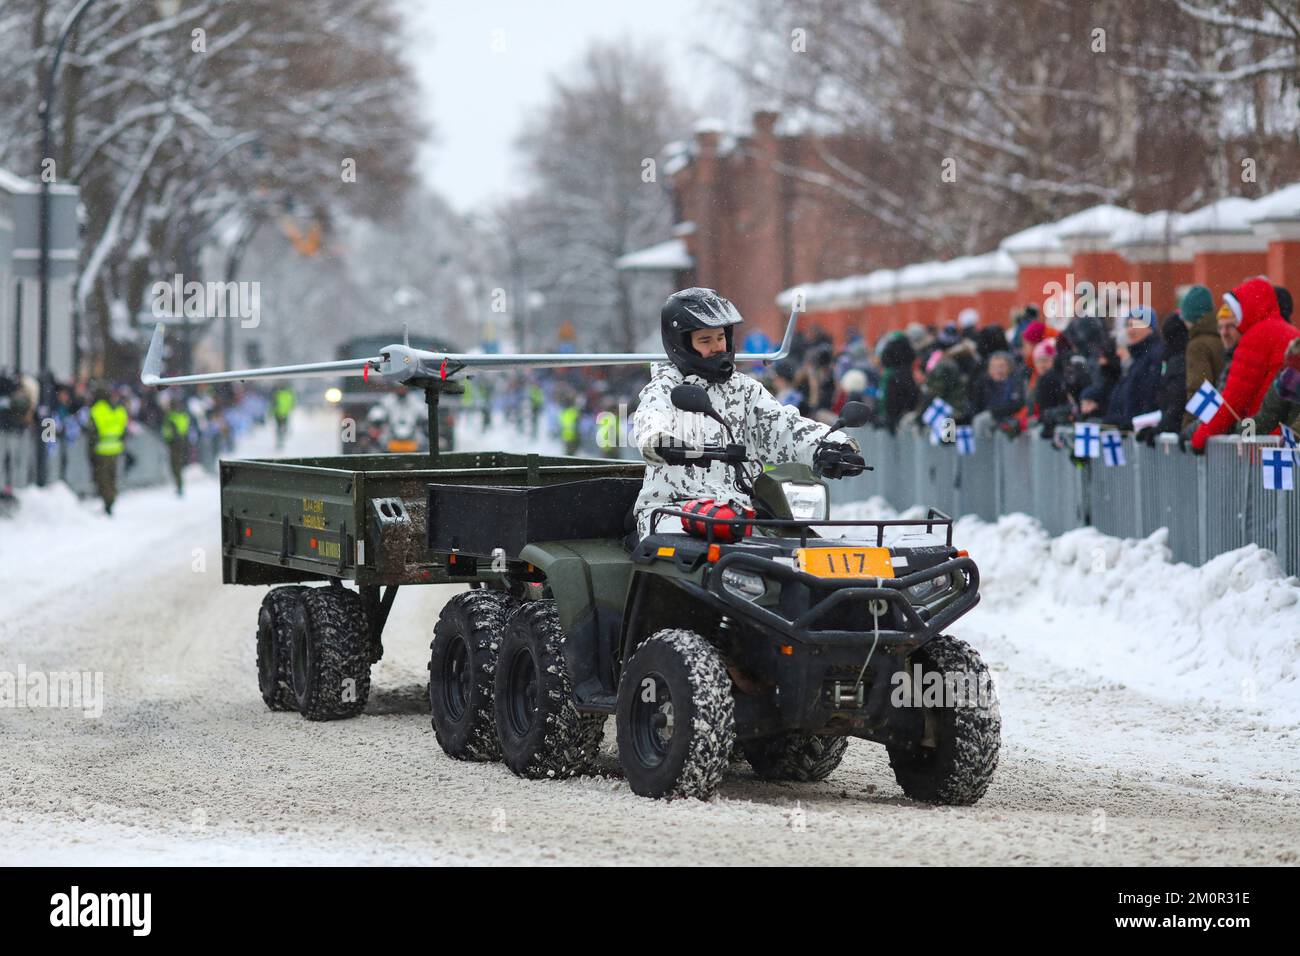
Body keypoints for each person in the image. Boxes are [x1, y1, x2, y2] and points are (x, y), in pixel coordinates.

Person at [631, 288, 863, 540]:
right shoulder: (664, 390)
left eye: (720, 337)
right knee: (701, 558)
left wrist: (830, 446)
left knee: (800, 552)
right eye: (705, 341)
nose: (718, 347)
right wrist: (661, 443)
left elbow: (783, 427)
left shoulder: (744, 389)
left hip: (739, 511)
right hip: (675, 512)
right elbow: (650, 419)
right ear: (680, 345)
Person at [1188, 278, 1300, 453]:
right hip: (1286, 438)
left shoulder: (1256, 336)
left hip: (1263, 442)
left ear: (1246, 307)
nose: (1233, 319)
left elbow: (1233, 401)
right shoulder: (1291, 332)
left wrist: (1199, 436)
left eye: (1234, 311)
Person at [1100, 306, 1164, 427]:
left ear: (1150, 327)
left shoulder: (1155, 356)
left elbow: (1150, 396)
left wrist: (1134, 423)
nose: (1130, 330)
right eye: (1128, 325)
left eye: (1135, 325)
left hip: (1142, 432)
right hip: (1131, 428)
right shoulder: (1137, 358)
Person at [1178, 285, 1225, 430]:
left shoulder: (1197, 346)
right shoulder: (1223, 338)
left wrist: (1189, 426)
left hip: (1208, 427)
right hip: (1225, 421)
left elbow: (1199, 389)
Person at [87, 385, 128, 515]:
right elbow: (124, 430)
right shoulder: (119, 410)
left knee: (102, 480)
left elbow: (92, 433)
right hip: (115, 449)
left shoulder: (96, 410)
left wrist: (90, 451)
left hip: (101, 450)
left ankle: (108, 503)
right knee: (112, 478)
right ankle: (111, 500)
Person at [160, 391, 191, 496]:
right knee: (178, 466)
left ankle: (179, 486)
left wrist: (168, 439)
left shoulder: (170, 416)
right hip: (182, 443)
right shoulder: (183, 415)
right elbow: (185, 429)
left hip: (174, 444)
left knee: (175, 466)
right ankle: (179, 485)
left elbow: (167, 431)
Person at [271, 384, 295, 449]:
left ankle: (280, 440)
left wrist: (271, 412)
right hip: (284, 414)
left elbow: (273, 404)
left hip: (278, 414)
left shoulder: (277, 394)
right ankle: (281, 440)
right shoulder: (289, 394)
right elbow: (292, 404)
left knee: (279, 428)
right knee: (283, 427)